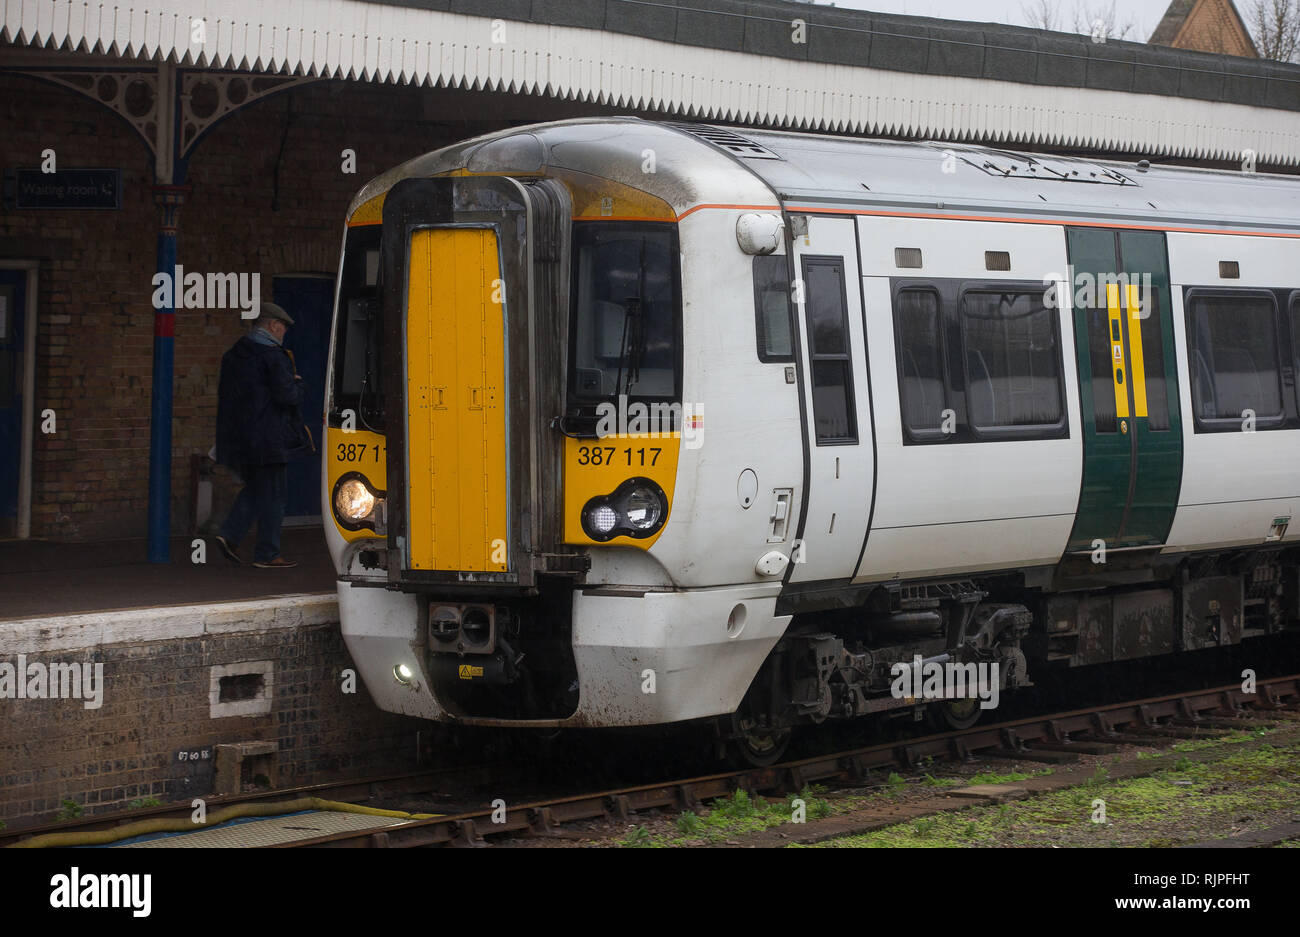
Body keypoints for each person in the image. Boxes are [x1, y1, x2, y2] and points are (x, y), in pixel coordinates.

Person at [212, 302, 314, 568]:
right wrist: (299, 384)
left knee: (258, 489)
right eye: (282, 329)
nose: (283, 335)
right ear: (272, 325)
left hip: (239, 438)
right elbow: (287, 396)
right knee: (275, 497)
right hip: (269, 438)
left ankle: (230, 535)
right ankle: (267, 554)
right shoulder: (272, 356)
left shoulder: (234, 355)